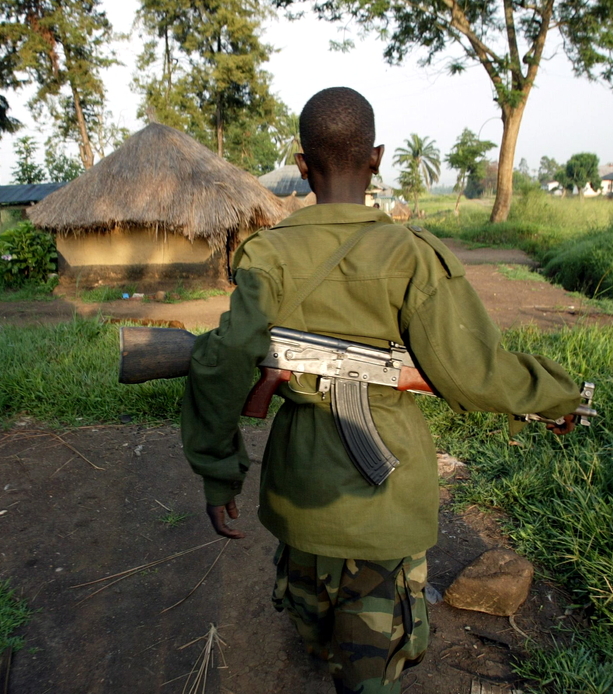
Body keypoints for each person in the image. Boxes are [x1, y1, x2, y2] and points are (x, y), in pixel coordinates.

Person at [181, 87, 581, 694]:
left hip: (299, 492)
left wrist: (219, 471)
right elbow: (476, 373)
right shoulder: (413, 256)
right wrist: (558, 393)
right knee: (371, 673)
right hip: (385, 507)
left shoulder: (267, 255)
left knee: (317, 638)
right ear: (377, 157)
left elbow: (221, 363)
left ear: (301, 161)